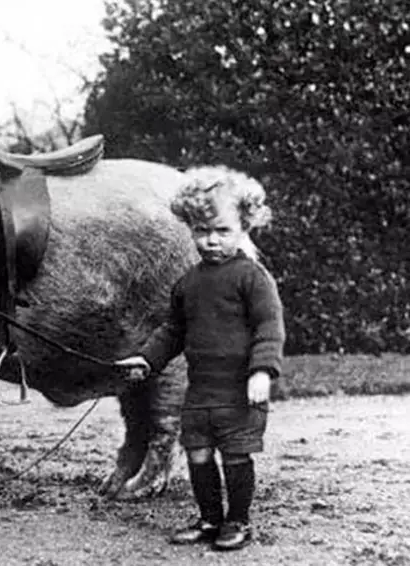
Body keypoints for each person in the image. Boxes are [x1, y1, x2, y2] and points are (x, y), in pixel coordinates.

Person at [116, 166, 285, 551]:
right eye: (201, 231)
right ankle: (209, 518)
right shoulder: (188, 283)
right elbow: (171, 331)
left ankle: (238, 521)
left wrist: (262, 371)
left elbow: (269, 327)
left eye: (222, 231)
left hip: (238, 391)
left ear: (245, 226)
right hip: (200, 392)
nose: (210, 241)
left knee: (235, 457)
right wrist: (147, 360)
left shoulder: (253, 278)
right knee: (198, 455)